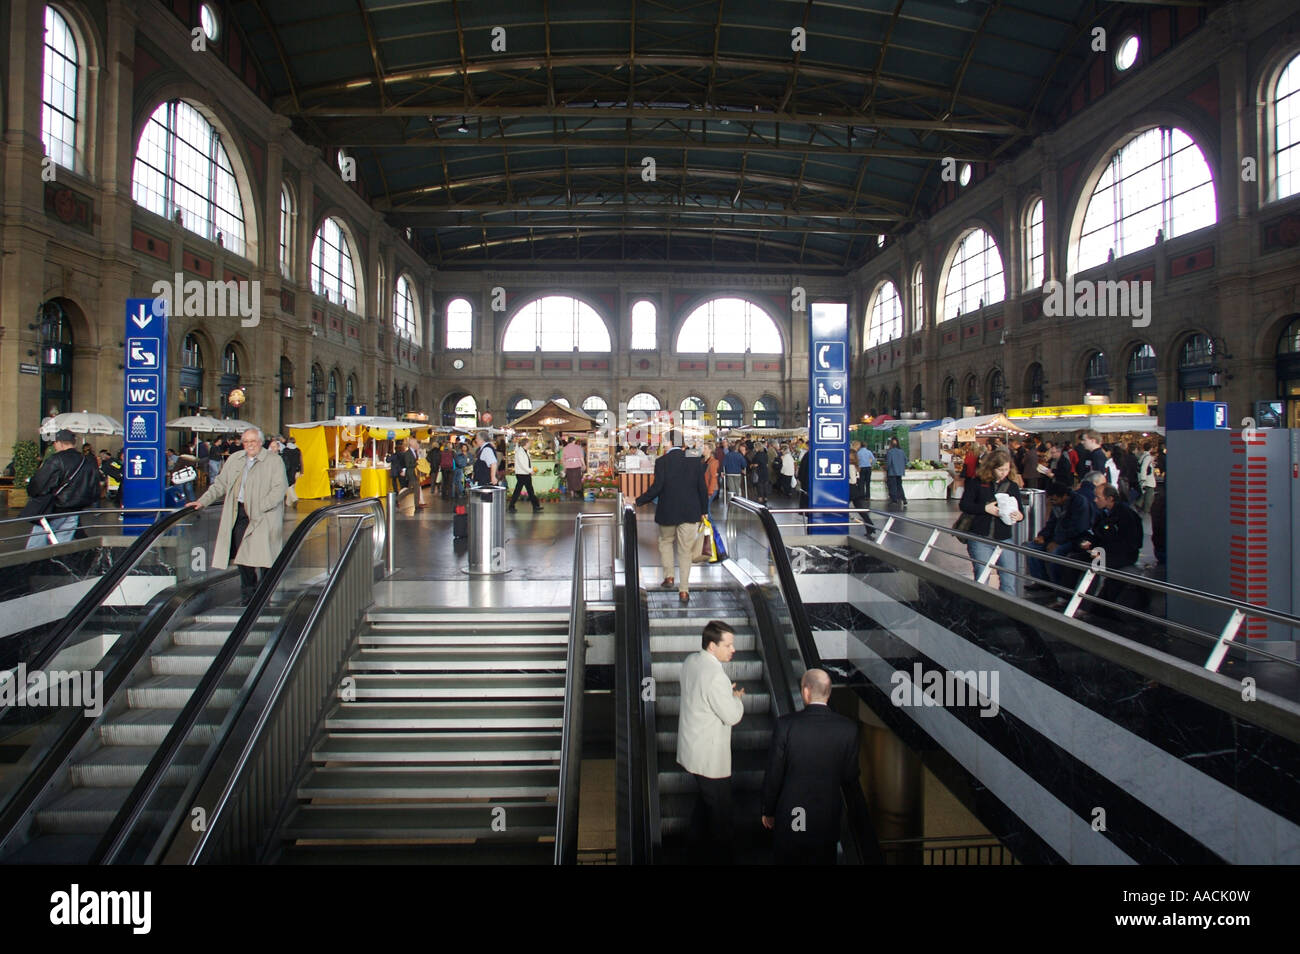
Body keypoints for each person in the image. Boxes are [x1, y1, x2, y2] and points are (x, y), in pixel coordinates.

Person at [760, 668, 859, 865]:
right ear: (829, 693)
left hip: (794, 812)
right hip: (826, 815)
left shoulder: (786, 725)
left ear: (806, 691)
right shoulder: (848, 729)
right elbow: (850, 776)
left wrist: (768, 810)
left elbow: (775, 772)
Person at [186, 428, 287, 605]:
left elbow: (279, 489)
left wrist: (261, 506)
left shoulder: (274, 461)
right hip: (240, 512)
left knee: (264, 556)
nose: (250, 445)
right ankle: (248, 593)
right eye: (246, 442)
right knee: (242, 553)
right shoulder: (235, 460)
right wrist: (202, 501)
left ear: (260, 442)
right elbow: (220, 484)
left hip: (265, 515)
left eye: (253, 441)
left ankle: (264, 593)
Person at [677, 620, 745, 862]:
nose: (733, 649)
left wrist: (725, 695)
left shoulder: (691, 661)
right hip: (710, 759)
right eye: (728, 645)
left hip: (692, 750)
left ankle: (692, 853)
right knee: (721, 817)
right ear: (712, 646)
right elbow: (732, 716)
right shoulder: (716, 676)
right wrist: (735, 698)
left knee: (705, 807)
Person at [634, 431, 709, 604]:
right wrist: (704, 510)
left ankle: (669, 576)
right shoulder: (694, 460)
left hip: (667, 511)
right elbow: (702, 488)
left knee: (666, 542)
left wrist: (638, 500)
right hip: (691, 512)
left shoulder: (662, 462)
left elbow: (657, 488)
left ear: (668, 442)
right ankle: (684, 590)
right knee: (685, 551)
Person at [958, 449, 1025, 595]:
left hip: (1004, 538)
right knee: (982, 576)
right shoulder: (977, 483)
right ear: (991, 467)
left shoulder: (1012, 486)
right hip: (980, 537)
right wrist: (984, 508)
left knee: (1009, 577)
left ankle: (1009, 609)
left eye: (1006, 469)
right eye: (1000, 469)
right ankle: (982, 609)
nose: (1004, 473)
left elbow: (1021, 513)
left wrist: (1019, 516)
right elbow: (964, 505)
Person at [21, 428, 101, 548]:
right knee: (63, 546)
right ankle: (58, 565)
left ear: (59, 442)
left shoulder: (56, 459)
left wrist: (32, 491)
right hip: (74, 510)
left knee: (36, 546)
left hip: (53, 509)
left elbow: (38, 484)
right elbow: (94, 486)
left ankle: (34, 566)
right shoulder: (87, 461)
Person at [1076, 482, 1144, 610]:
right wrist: (1090, 543)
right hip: (1105, 550)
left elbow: (1129, 543)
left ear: (1109, 498)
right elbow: (1098, 533)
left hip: (1123, 554)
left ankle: (1084, 605)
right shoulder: (1104, 513)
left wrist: (1102, 551)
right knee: (1074, 558)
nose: (1095, 500)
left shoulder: (1125, 514)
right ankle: (1068, 596)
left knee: (1094, 566)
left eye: (1098, 497)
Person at [1025, 480, 1092, 600]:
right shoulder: (1056, 505)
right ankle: (1041, 581)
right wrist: (1043, 536)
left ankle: (1058, 587)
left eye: (1054, 499)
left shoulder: (1079, 503)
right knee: (1031, 547)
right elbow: (1051, 523)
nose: (1051, 502)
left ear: (1064, 496)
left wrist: (1057, 541)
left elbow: (1077, 528)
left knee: (1056, 553)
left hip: (1074, 539)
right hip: (1056, 537)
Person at [508, 435, 543, 513]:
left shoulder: (525, 451)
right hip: (522, 474)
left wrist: (530, 470)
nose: (530, 444)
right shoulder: (520, 452)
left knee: (527, 490)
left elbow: (527, 463)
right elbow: (522, 464)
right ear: (525, 443)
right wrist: (530, 471)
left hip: (524, 473)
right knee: (526, 490)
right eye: (529, 443)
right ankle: (535, 506)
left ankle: (535, 506)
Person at [884, 437, 908, 507]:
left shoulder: (890, 452)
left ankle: (894, 500)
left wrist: (886, 469)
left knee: (893, 486)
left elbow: (888, 463)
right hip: (900, 472)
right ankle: (904, 499)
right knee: (899, 486)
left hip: (892, 472)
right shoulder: (902, 451)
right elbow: (906, 461)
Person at [1136, 441, 1157, 514]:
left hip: (1144, 478)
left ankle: (1139, 504)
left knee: (1146, 493)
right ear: (1151, 448)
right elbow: (1144, 468)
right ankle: (1146, 509)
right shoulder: (1148, 457)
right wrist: (1143, 479)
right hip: (1148, 479)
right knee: (1149, 495)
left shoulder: (1142, 456)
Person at [561, 436, 585, 501]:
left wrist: (564, 468)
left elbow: (563, 460)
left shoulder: (564, 448)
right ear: (574, 441)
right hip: (577, 466)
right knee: (577, 480)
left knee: (570, 480)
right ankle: (577, 493)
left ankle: (572, 494)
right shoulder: (578, 447)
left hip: (568, 466)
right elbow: (581, 457)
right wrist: (584, 465)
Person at [748, 440, 770, 505]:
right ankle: (765, 497)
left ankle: (760, 498)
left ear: (757, 447)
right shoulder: (765, 454)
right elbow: (766, 463)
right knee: (765, 485)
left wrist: (751, 465)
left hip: (759, 472)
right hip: (765, 471)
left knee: (759, 485)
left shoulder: (757, 455)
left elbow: (755, 464)